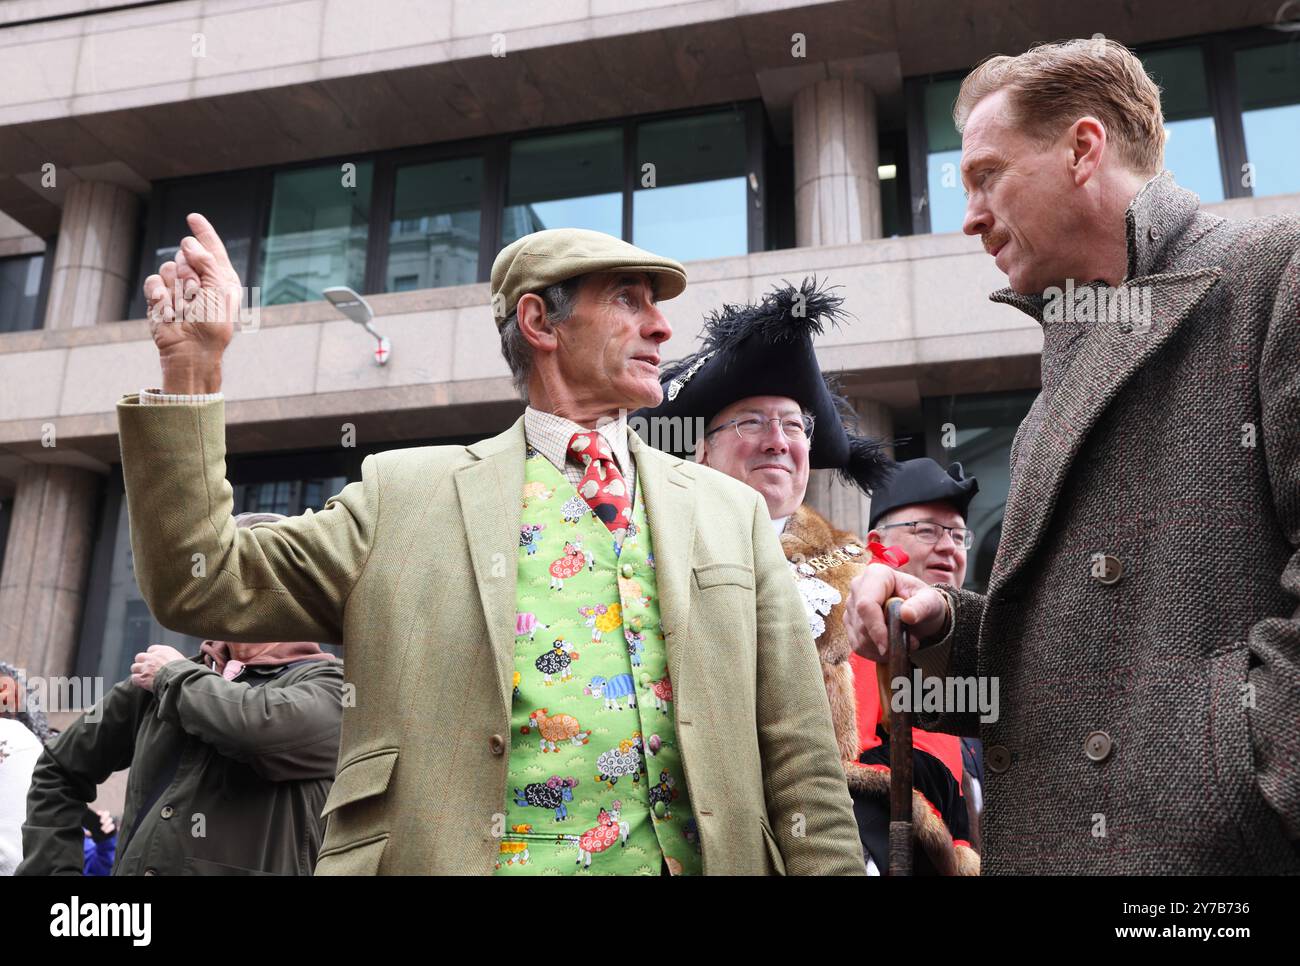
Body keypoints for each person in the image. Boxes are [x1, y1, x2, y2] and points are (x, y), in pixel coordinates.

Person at [122, 220, 866, 875]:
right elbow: (204, 581)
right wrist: (192, 371)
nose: (662, 328)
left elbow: (800, 755)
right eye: (629, 300)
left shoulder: (729, 513)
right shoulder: (403, 497)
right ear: (540, 322)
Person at [843, 38, 1300, 873]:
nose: (969, 215)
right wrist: (940, 622)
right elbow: (1074, 664)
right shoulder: (1063, 374)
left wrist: (1237, 773)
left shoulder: (1276, 272)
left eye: (985, 175)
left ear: (1083, 149)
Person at [632, 279, 975, 873]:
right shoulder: (640, 555)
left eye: (794, 427)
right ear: (702, 450)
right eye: (750, 423)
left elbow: (925, 738)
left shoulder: (865, 576)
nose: (777, 442)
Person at [17, 514, 345, 876]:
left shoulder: (331, 688)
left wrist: (172, 676)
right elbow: (59, 768)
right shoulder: (158, 683)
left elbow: (259, 730)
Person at [856, 458, 982, 873]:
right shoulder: (843, 647)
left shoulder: (984, 655)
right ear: (877, 542)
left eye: (959, 535)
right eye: (927, 530)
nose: (948, 546)